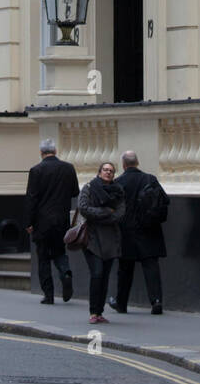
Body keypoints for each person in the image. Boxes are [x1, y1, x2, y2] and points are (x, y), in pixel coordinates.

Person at [109, 150, 169, 315]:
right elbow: (164, 200)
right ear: (137, 162)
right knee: (151, 267)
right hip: (149, 229)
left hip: (126, 231)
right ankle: (156, 301)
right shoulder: (150, 179)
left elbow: (112, 207)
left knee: (125, 269)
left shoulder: (118, 182)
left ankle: (121, 303)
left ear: (124, 164)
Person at [24, 138, 80, 305]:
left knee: (43, 257)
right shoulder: (68, 168)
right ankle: (66, 273)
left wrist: (29, 222)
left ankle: (48, 295)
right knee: (59, 252)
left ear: (41, 153)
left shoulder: (36, 170)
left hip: (42, 222)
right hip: (61, 219)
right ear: (55, 151)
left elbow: (31, 199)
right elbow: (75, 191)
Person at [77, 161, 126, 324]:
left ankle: (99, 312)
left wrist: (101, 216)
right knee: (97, 274)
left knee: (104, 277)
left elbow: (120, 213)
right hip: (92, 238)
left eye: (111, 171)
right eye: (105, 170)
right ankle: (93, 312)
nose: (108, 173)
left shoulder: (118, 191)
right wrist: (105, 212)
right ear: (99, 172)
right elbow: (83, 208)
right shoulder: (89, 188)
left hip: (111, 239)